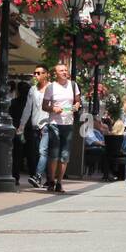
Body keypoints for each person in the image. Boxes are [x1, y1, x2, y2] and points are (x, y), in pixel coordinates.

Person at [41, 62, 81, 193]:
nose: (64, 72)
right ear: (56, 73)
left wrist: (76, 106)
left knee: (65, 155)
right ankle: (51, 181)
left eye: (65, 70)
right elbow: (44, 106)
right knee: (54, 154)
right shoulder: (51, 87)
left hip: (68, 123)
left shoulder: (73, 85)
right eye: (61, 70)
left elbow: (77, 101)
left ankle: (59, 182)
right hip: (54, 123)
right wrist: (53, 108)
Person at [23, 65, 50, 188]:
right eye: (35, 73)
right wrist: (21, 125)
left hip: (48, 125)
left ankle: (38, 176)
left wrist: (69, 109)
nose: (36, 75)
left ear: (46, 74)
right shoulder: (32, 90)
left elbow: (62, 105)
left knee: (43, 151)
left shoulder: (53, 88)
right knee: (39, 153)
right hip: (35, 126)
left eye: (39, 73)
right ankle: (49, 178)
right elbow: (27, 109)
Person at [9, 74, 32, 185]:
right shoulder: (31, 104)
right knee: (31, 155)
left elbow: (10, 116)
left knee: (17, 156)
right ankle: (33, 176)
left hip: (17, 130)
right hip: (29, 130)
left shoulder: (13, 102)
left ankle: (15, 177)